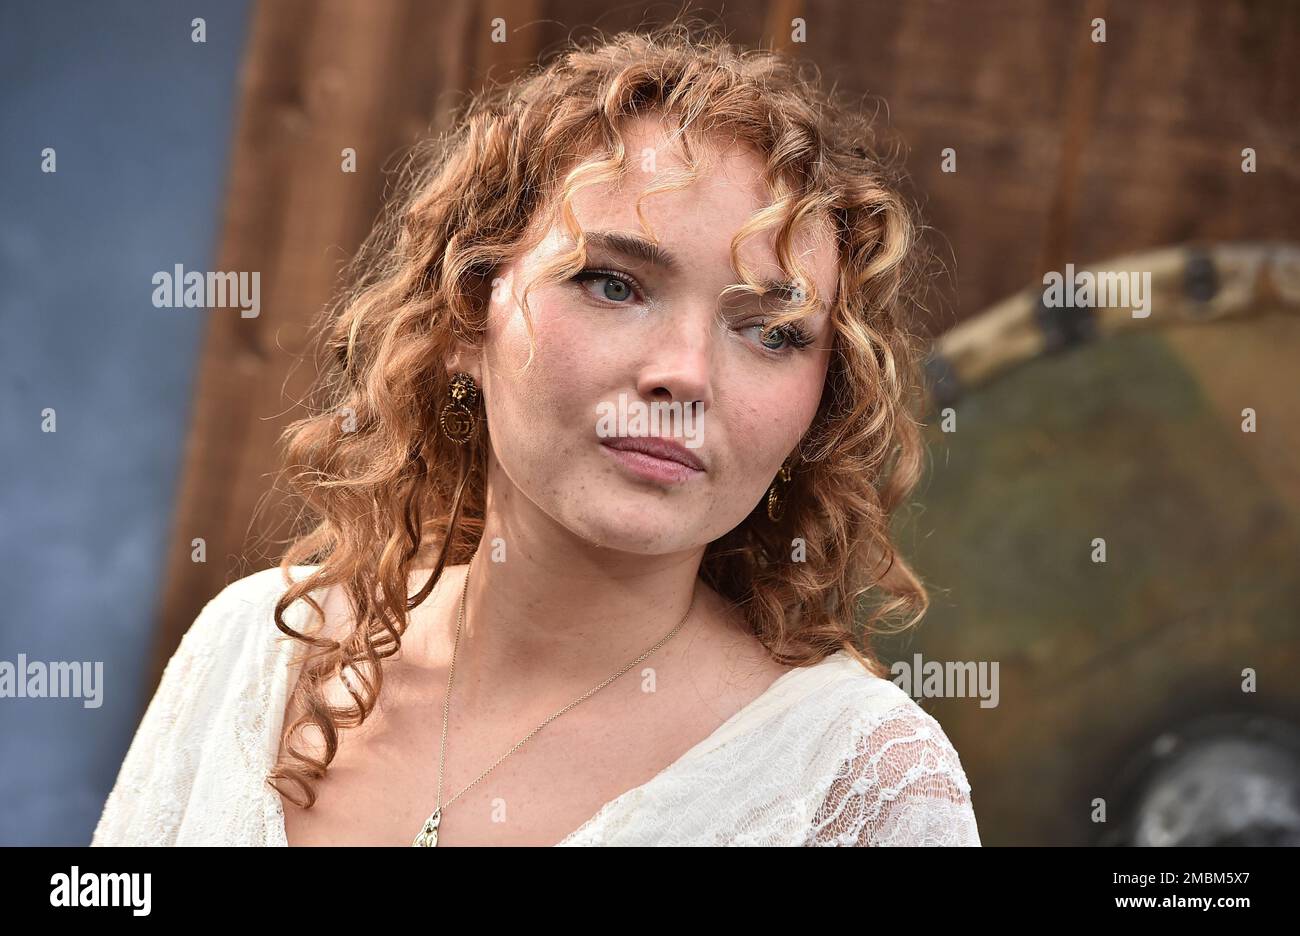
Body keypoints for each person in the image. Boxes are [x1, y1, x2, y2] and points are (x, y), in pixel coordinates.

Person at [92, 22, 980, 846]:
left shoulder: (860, 786)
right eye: (614, 284)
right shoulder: (250, 652)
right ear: (467, 314)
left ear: (821, 404)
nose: (686, 374)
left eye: (771, 331)